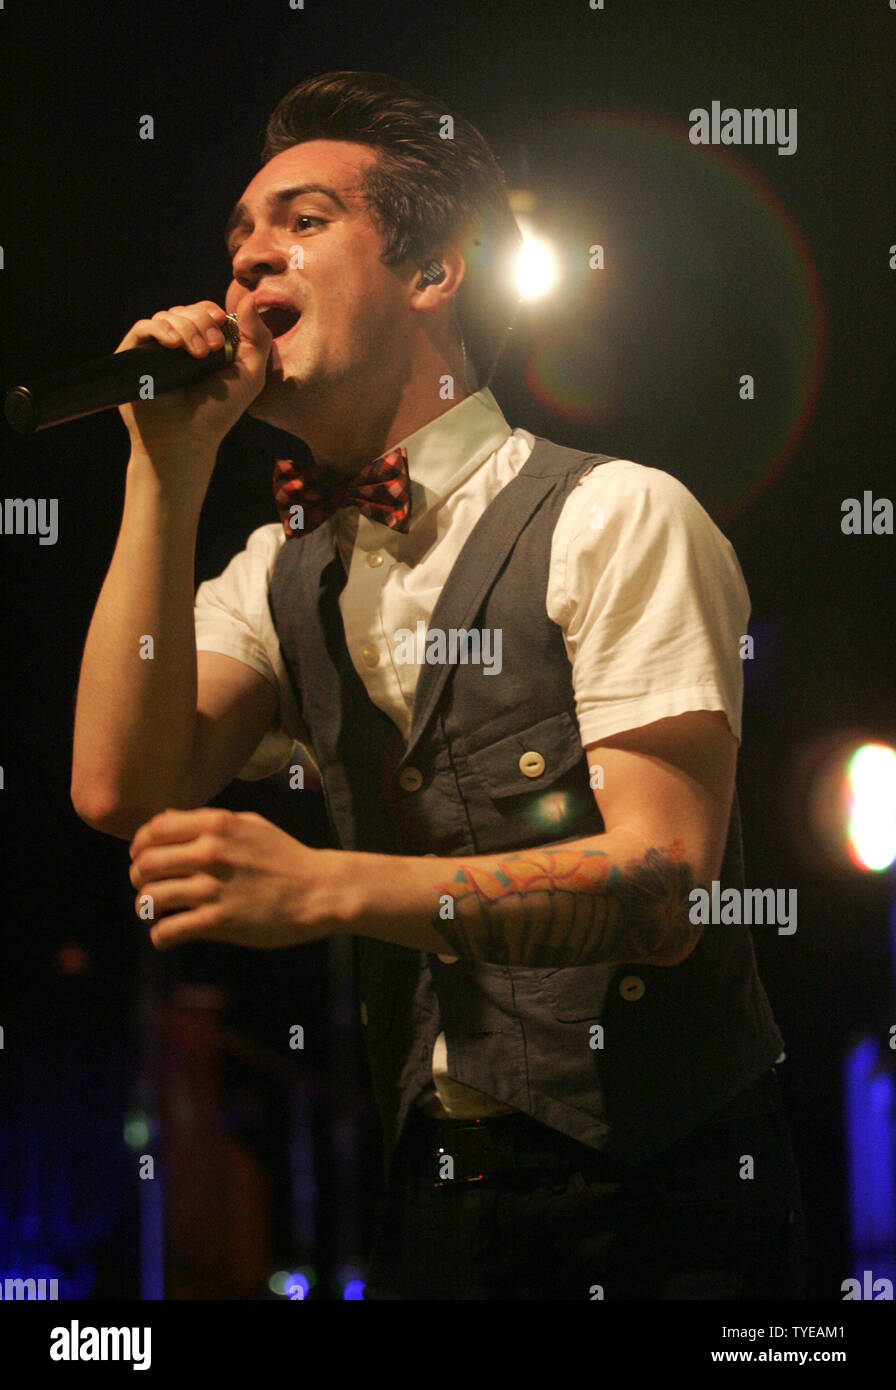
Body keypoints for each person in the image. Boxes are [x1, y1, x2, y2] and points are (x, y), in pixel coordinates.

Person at [71, 70, 806, 1300]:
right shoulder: (273, 575)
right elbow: (118, 783)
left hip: (663, 1201)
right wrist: (164, 470)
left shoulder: (617, 513)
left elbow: (662, 884)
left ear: (432, 273)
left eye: (301, 223)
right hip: (431, 1187)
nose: (250, 263)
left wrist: (325, 886)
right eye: (240, 239)